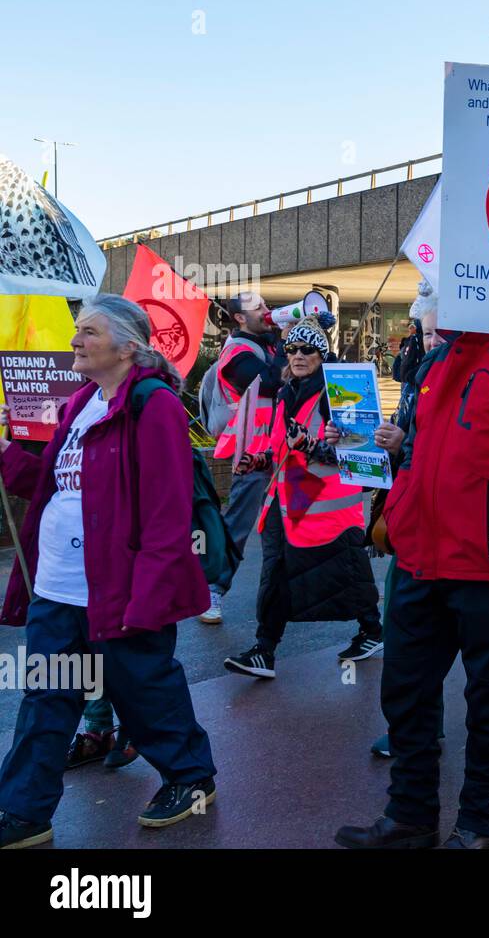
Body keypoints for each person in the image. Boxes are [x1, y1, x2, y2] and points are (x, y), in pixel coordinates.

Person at [335, 320, 489, 850]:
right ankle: (410, 816)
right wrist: (389, 449)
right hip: (418, 557)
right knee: (404, 691)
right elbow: (425, 450)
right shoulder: (437, 359)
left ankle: (479, 825)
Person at [0, 295, 216, 849]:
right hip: (55, 586)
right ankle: (24, 811)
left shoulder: (154, 405)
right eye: (77, 330)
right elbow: (49, 485)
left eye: (87, 332)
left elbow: (169, 514)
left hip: (119, 589)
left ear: (128, 346)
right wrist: (3, 450)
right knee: (46, 697)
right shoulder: (78, 406)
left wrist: (147, 597)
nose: (75, 340)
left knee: (144, 688)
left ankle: (191, 777)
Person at [223, 315, 383, 679]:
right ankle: (265, 649)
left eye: (307, 349)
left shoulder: (339, 391)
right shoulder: (284, 393)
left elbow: (361, 455)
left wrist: (312, 445)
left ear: (322, 355)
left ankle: (372, 630)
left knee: (347, 572)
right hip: (285, 503)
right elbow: (281, 447)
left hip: (328, 509)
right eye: (291, 348)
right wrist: (257, 459)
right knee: (275, 572)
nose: (297, 355)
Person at [201, 291, 283, 623]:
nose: (267, 310)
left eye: (266, 304)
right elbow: (271, 383)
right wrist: (287, 338)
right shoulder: (236, 354)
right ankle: (212, 591)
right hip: (253, 453)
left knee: (284, 526)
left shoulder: (268, 347)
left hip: (279, 447)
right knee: (238, 525)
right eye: (259, 307)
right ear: (239, 318)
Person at [393, 319, 424, 400]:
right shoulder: (409, 340)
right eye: (409, 327)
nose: (409, 329)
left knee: (410, 400)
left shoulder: (416, 339)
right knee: (406, 400)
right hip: (407, 378)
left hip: (411, 378)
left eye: (411, 327)